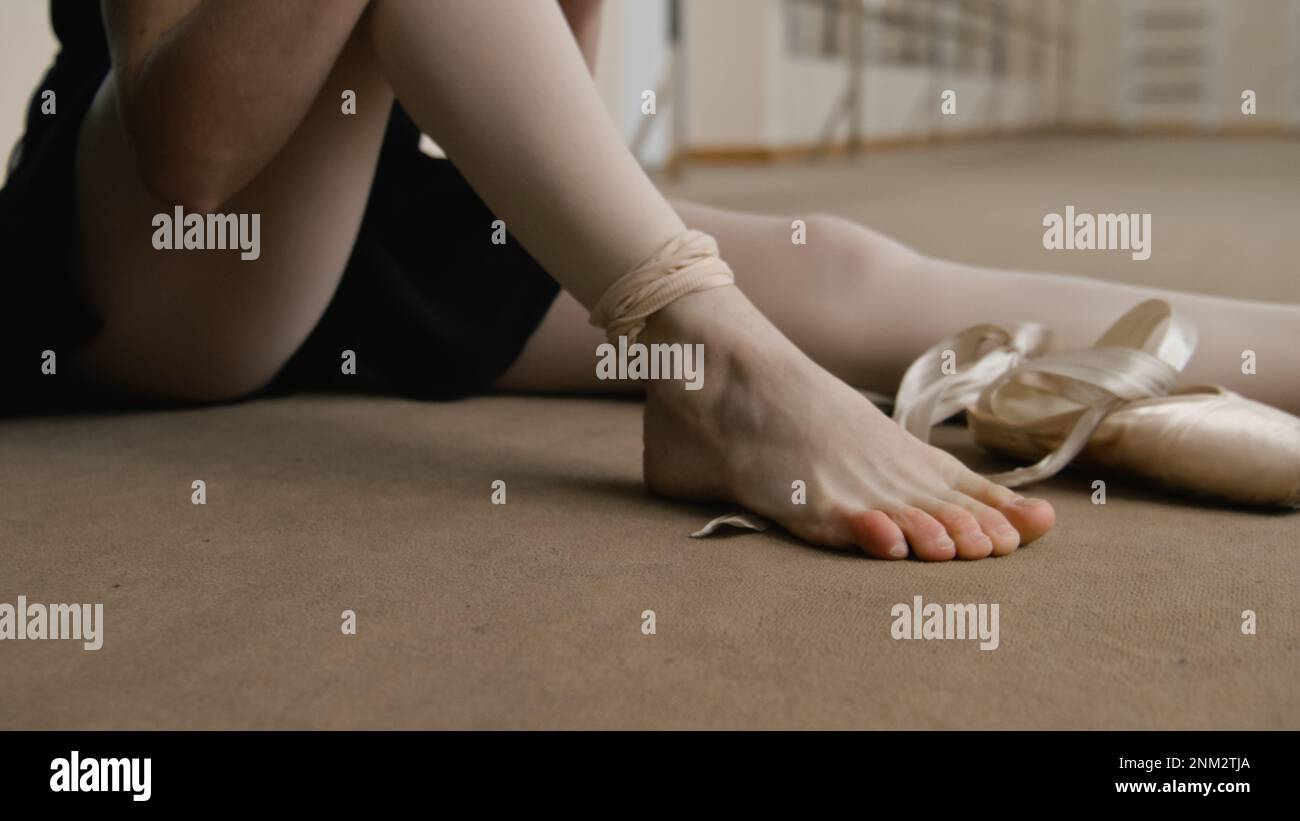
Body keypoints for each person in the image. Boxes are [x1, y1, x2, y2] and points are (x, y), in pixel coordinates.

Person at [2, 1, 1295, 560]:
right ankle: (719, 364)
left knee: (849, 271)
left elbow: (532, 108)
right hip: (170, 252)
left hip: (392, 214)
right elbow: (197, 151)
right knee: (722, 305)